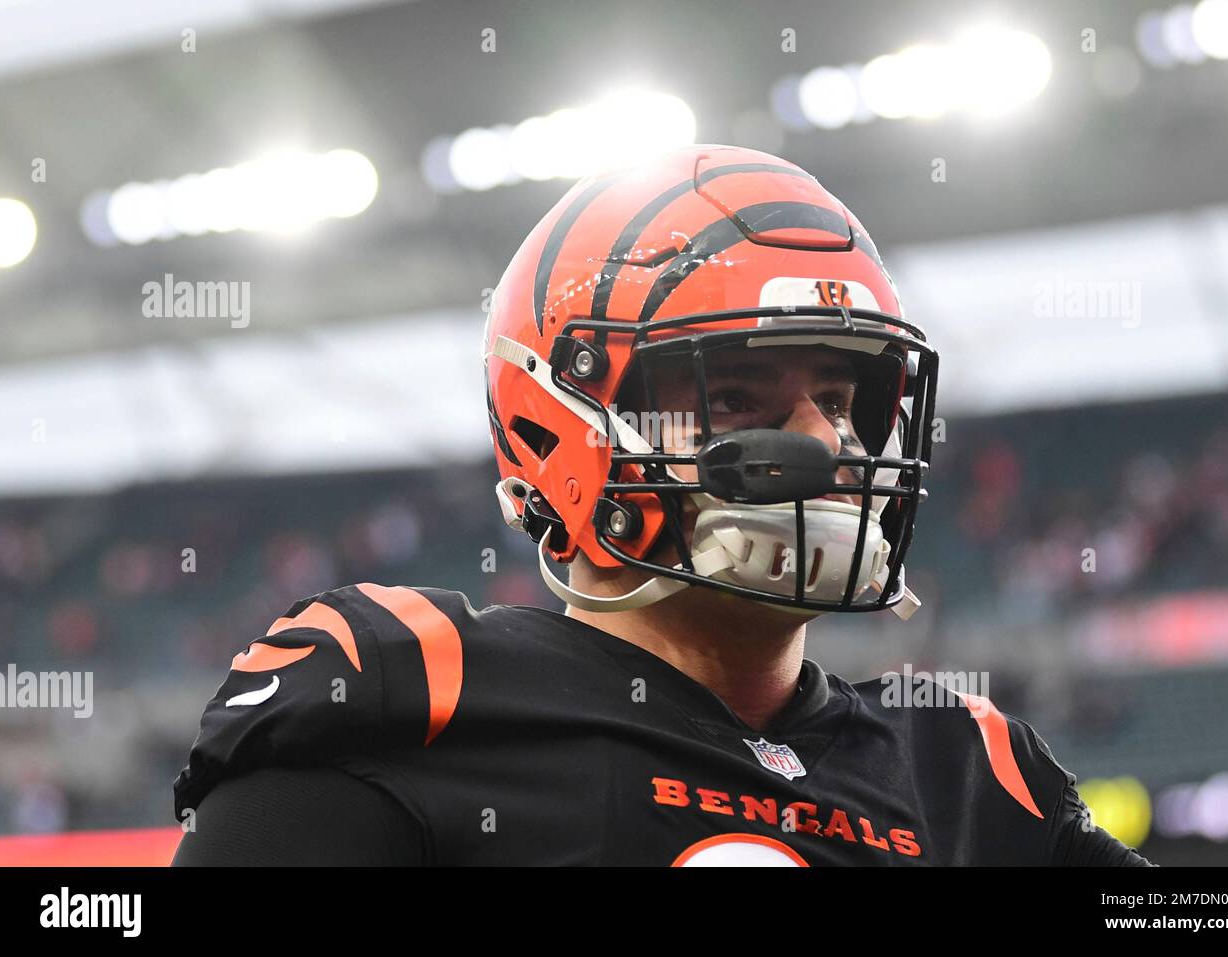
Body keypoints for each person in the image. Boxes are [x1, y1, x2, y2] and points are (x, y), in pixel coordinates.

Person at [172, 144, 1151, 866]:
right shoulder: (406, 706)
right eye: (733, 399)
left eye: (846, 403)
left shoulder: (965, 773)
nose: (826, 445)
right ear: (560, 429)